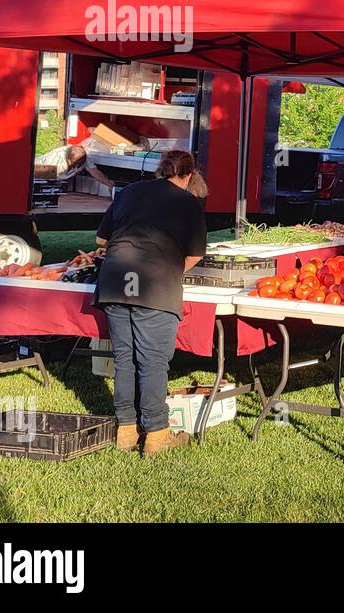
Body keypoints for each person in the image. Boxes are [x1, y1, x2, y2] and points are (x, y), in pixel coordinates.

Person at [95, 150, 208, 456]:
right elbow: (195, 254)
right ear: (188, 175)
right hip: (155, 286)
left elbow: (102, 241)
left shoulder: (130, 191)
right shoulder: (188, 202)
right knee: (153, 362)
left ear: (161, 170)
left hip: (116, 280)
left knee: (124, 358)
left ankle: (126, 431)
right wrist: (170, 271)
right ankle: (157, 434)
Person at [35, 144, 114, 190]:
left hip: (57, 180)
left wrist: (110, 185)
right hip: (37, 175)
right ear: (68, 158)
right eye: (75, 163)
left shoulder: (83, 157)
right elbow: (45, 175)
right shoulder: (57, 156)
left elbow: (95, 172)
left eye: (80, 163)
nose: (77, 166)